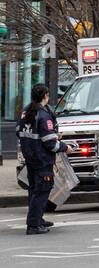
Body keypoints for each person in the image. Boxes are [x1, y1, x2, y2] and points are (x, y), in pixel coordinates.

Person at [17, 84, 66, 235]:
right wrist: (64, 146)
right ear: (45, 95)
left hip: (30, 158)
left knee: (34, 190)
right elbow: (50, 143)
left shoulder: (26, 111)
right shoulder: (43, 115)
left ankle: (38, 219)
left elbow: (19, 132)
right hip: (42, 159)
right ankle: (33, 225)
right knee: (42, 191)